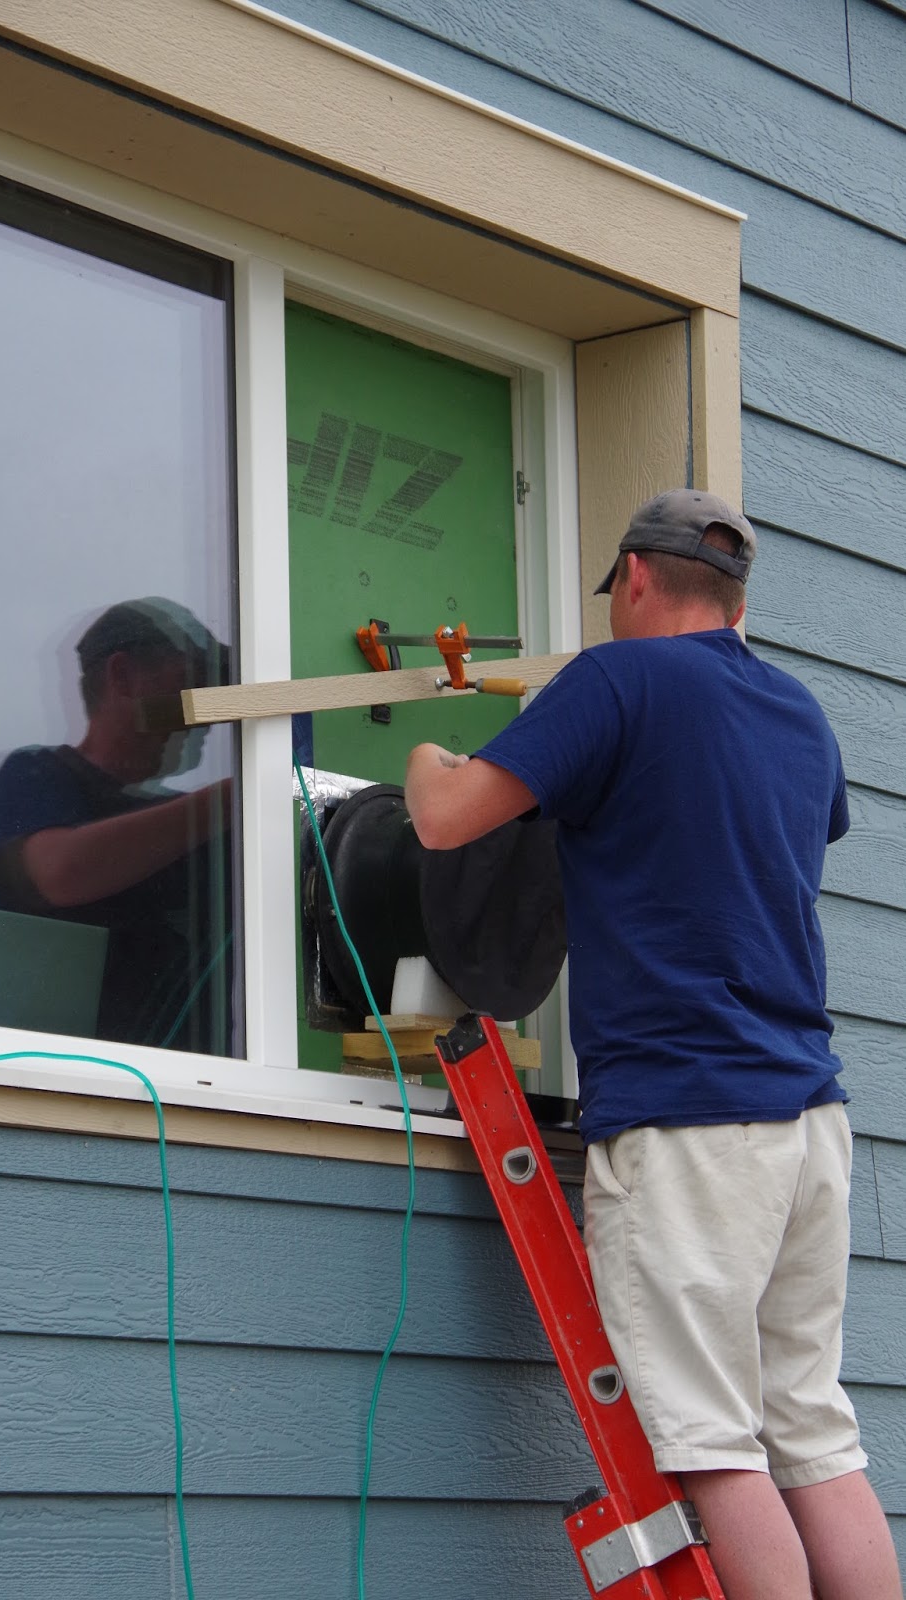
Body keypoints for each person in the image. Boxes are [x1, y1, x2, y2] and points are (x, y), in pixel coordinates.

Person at [405, 490, 902, 1600]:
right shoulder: (799, 714)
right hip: (809, 1124)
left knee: (713, 1445)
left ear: (635, 577)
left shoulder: (619, 678)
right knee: (815, 1438)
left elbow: (446, 819)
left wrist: (427, 751)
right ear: (734, 593)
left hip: (692, 1127)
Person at [0, 597, 235, 1054]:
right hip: (62, 1086)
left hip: (196, 1090)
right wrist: (235, 800)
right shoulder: (37, 776)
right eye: (191, 686)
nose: (205, 718)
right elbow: (61, 871)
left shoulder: (199, 821)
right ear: (122, 676)